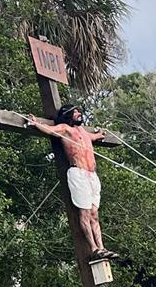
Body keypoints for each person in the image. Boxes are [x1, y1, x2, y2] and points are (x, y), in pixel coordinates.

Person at [25, 105, 114, 261]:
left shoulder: (83, 131)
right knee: (84, 213)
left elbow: (93, 137)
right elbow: (50, 130)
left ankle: (101, 247)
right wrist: (35, 123)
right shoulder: (65, 129)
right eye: (75, 112)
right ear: (67, 115)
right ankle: (93, 248)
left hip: (92, 175)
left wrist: (100, 134)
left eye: (79, 111)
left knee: (94, 214)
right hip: (78, 173)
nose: (79, 114)